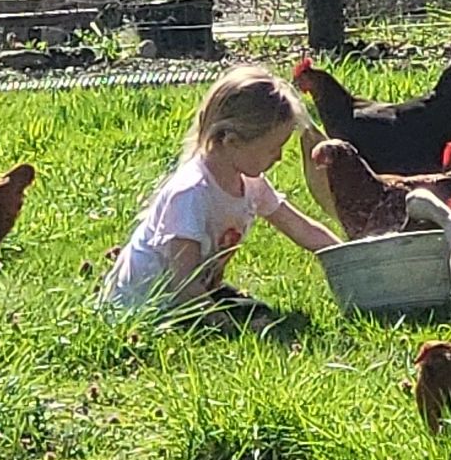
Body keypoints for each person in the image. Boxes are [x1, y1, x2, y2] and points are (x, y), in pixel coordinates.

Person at [102, 64, 338, 332]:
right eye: (273, 148)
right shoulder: (191, 193)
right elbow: (181, 282)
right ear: (231, 141)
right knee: (252, 322)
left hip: (193, 295)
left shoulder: (251, 184)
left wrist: (350, 256)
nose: (280, 157)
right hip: (148, 308)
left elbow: (301, 227)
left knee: (261, 315)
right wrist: (226, 327)